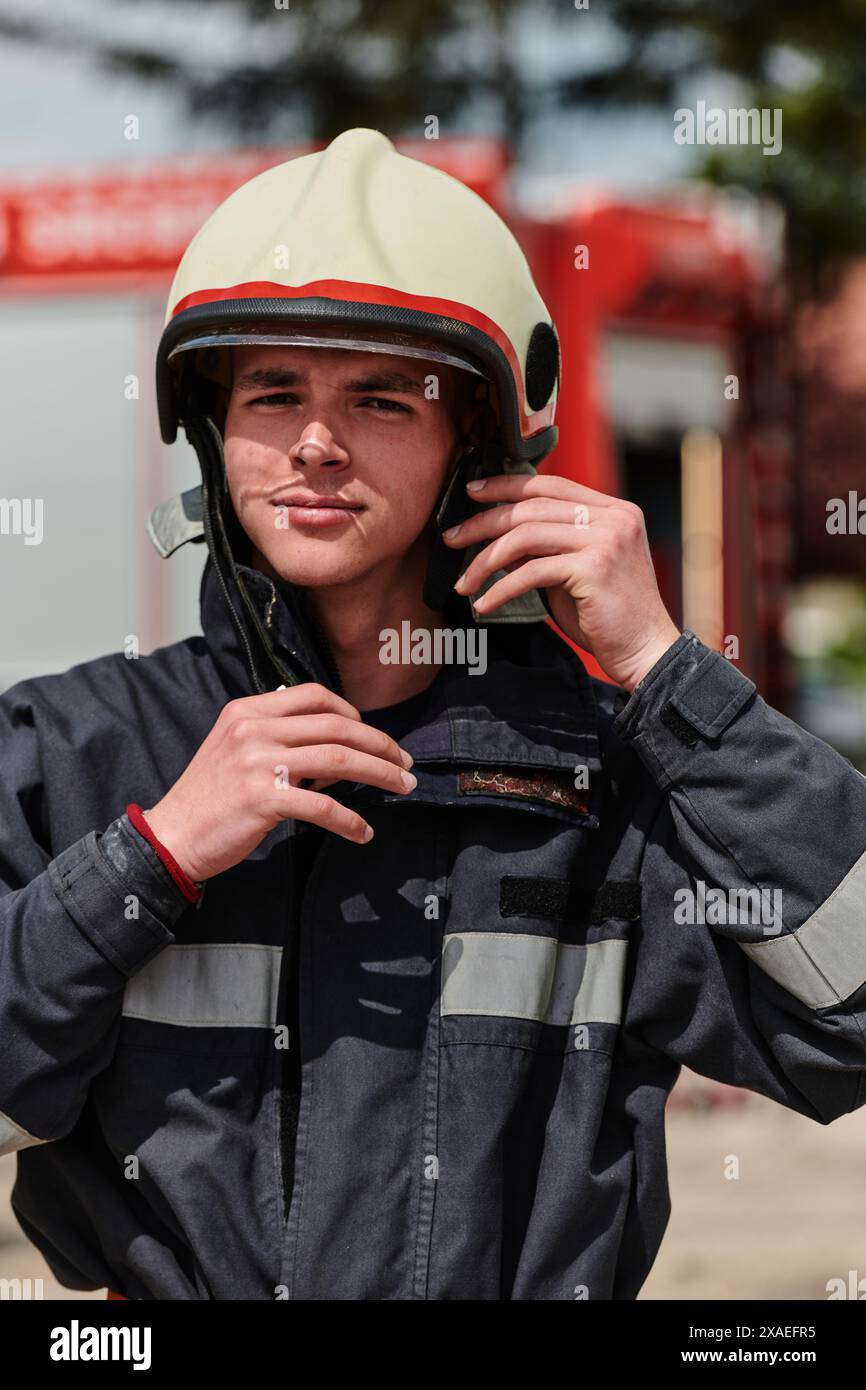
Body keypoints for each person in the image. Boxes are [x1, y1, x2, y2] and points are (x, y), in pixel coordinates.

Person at [4, 127, 866, 1302]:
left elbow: (850, 1020)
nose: (314, 442)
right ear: (210, 430)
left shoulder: (601, 784)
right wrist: (143, 862)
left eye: (379, 397)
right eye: (271, 391)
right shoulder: (69, 752)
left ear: (475, 436)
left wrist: (671, 678)